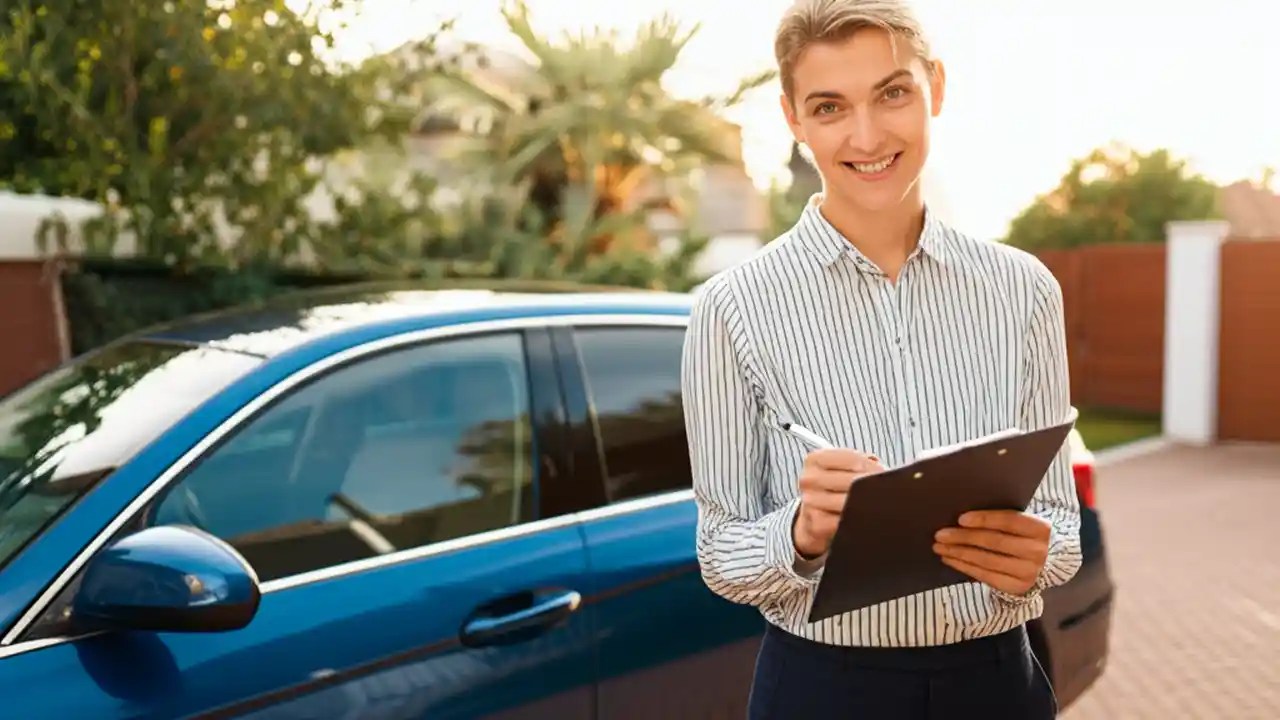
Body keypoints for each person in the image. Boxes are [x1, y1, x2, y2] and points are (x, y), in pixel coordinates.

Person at [679, 1, 1080, 717]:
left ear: (937, 88)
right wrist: (800, 532)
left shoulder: (1024, 291)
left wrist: (1037, 557)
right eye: (830, 106)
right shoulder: (730, 308)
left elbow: (1061, 522)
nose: (866, 136)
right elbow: (720, 550)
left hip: (997, 680)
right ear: (794, 120)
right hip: (821, 688)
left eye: (892, 93)